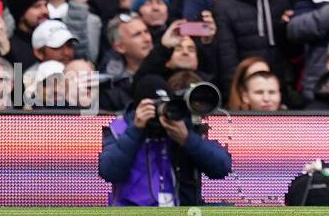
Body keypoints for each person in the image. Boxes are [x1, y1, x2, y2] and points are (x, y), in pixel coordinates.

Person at [97, 71, 232, 206]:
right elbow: (109, 172)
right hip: (133, 214)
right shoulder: (120, 128)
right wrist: (135, 130)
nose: (158, 113)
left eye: (163, 105)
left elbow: (221, 168)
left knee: (226, 210)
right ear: (138, 108)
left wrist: (187, 139)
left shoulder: (180, 126)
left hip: (182, 211)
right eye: (153, 107)